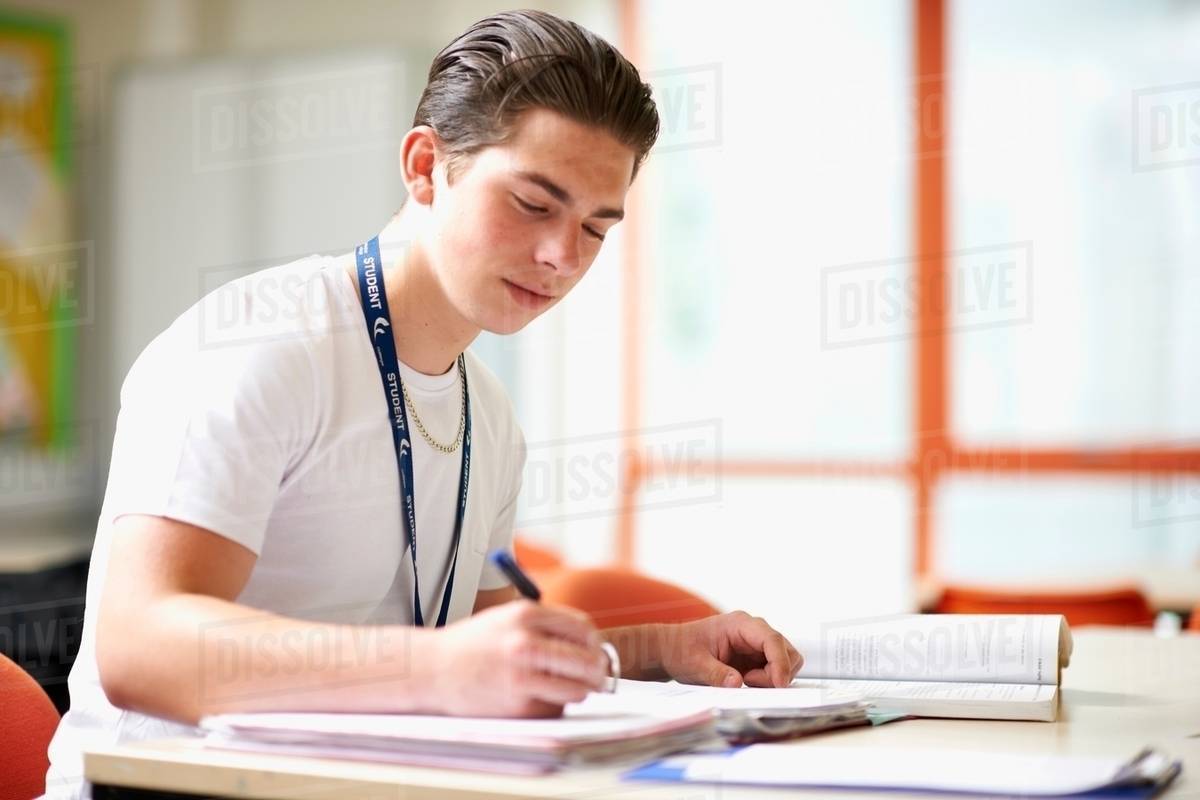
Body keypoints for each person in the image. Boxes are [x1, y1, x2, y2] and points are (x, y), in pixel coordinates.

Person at [43, 10, 801, 797]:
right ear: (424, 166)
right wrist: (438, 668)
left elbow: (485, 646)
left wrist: (657, 648)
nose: (560, 258)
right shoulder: (260, 346)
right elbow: (138, 648)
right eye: (535, 204)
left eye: (594, 229)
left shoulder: (489, 415)